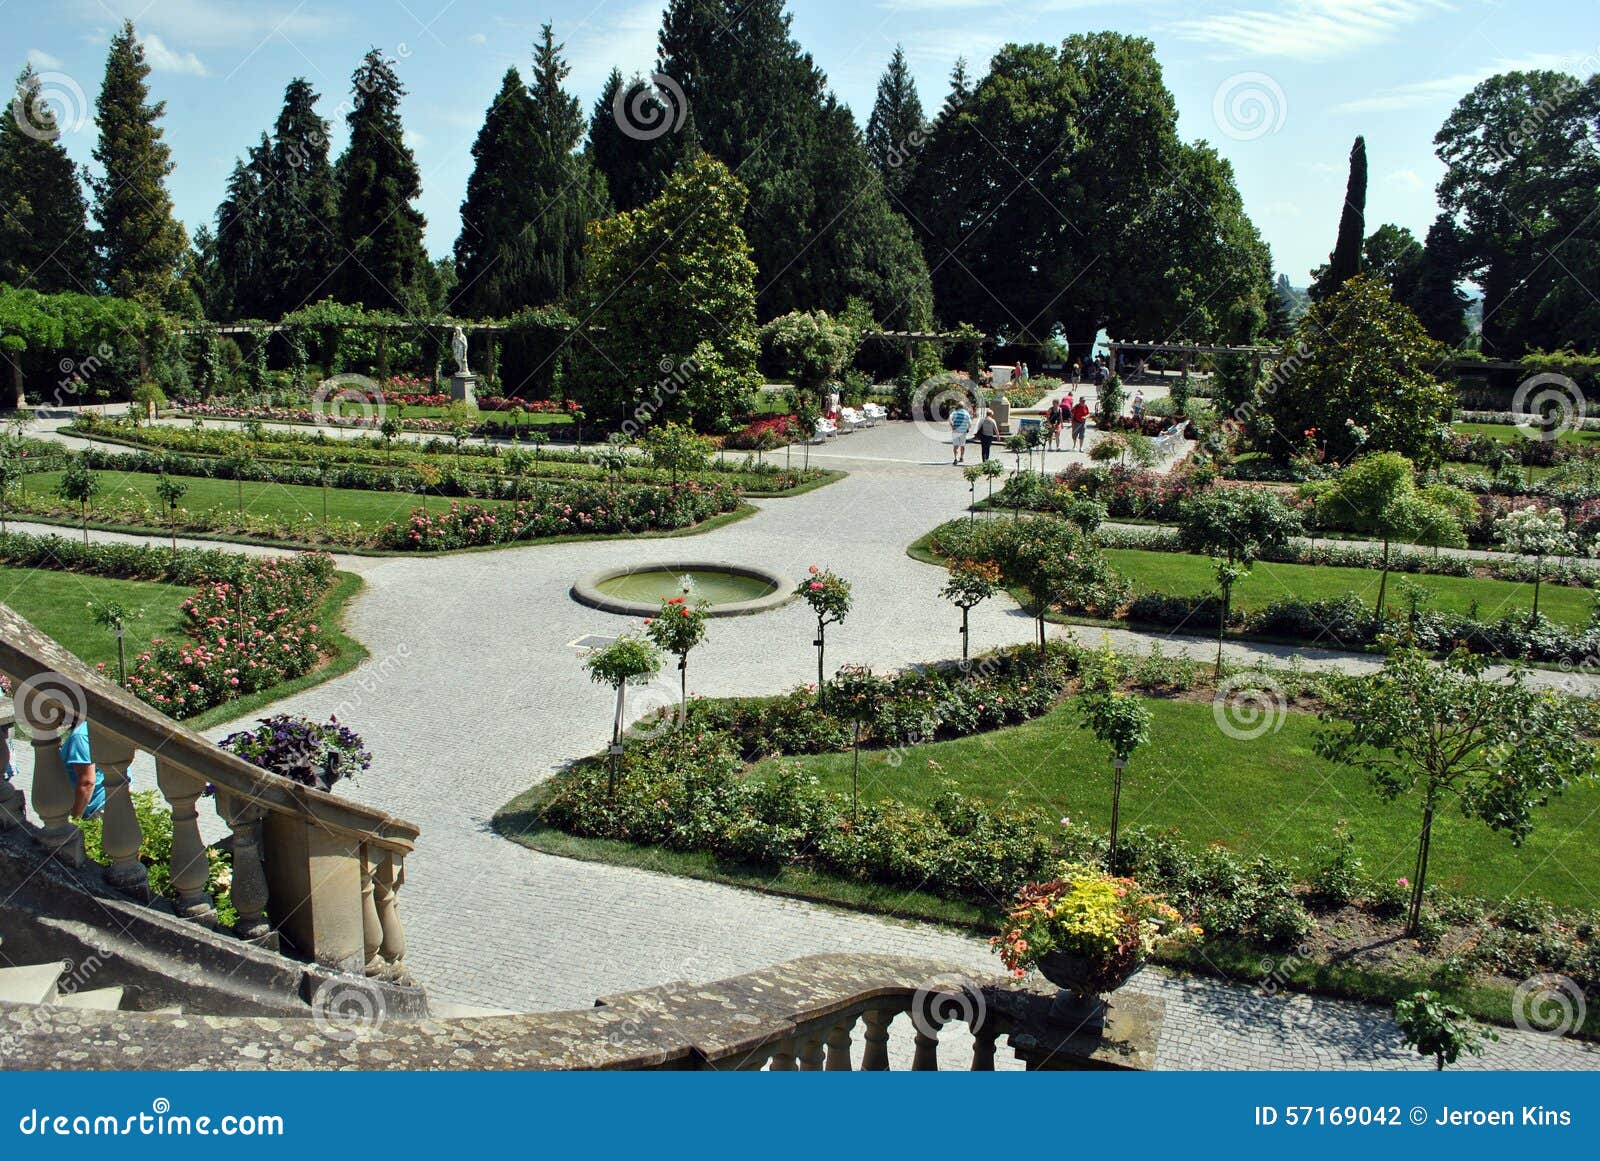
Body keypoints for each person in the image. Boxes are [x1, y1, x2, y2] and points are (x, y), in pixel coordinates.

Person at [60, 716, 108, 821]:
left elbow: (87, 783)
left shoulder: (80, 735)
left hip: (97, 809)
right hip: (110, 802)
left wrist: (74, 819)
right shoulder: (102, 727)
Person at [949, 399, 972, 464]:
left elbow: (950, 419)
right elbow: (970, 423)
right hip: (963, 432)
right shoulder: (966, 413)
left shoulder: (954, 412)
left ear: (958, 406)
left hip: (955, 432)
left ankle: (955, 458)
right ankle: (961, 457)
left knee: (955, 446)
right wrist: (967, 428)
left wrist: (952, 426)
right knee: (962, 445)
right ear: (963, 406)